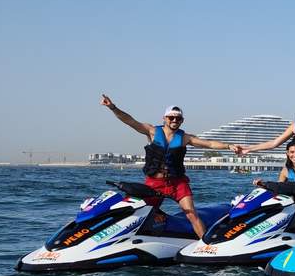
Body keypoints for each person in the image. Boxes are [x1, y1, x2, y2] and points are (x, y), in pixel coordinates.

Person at [100, 94, 243, 237]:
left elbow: (210, 144)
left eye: (178, 118)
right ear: (164, 118)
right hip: (154, 183)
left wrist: (229, 146)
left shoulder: (185, 138)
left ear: (182, 120)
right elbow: (129, 120)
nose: (174, 120)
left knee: (191, 214)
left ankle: (205, 245)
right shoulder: (152, 131)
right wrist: (113, 107)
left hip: (177, 183)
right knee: (138, 210)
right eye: (171, 117)